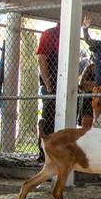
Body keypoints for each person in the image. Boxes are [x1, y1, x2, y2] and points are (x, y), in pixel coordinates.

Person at [36, 22, 60, 157]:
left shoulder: (68, 34)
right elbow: (41, 58)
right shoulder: (50, 34)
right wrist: (48, 84)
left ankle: (56, 150)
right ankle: (44, 152)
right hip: (52, 82)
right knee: (49, 117)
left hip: (62, 81)